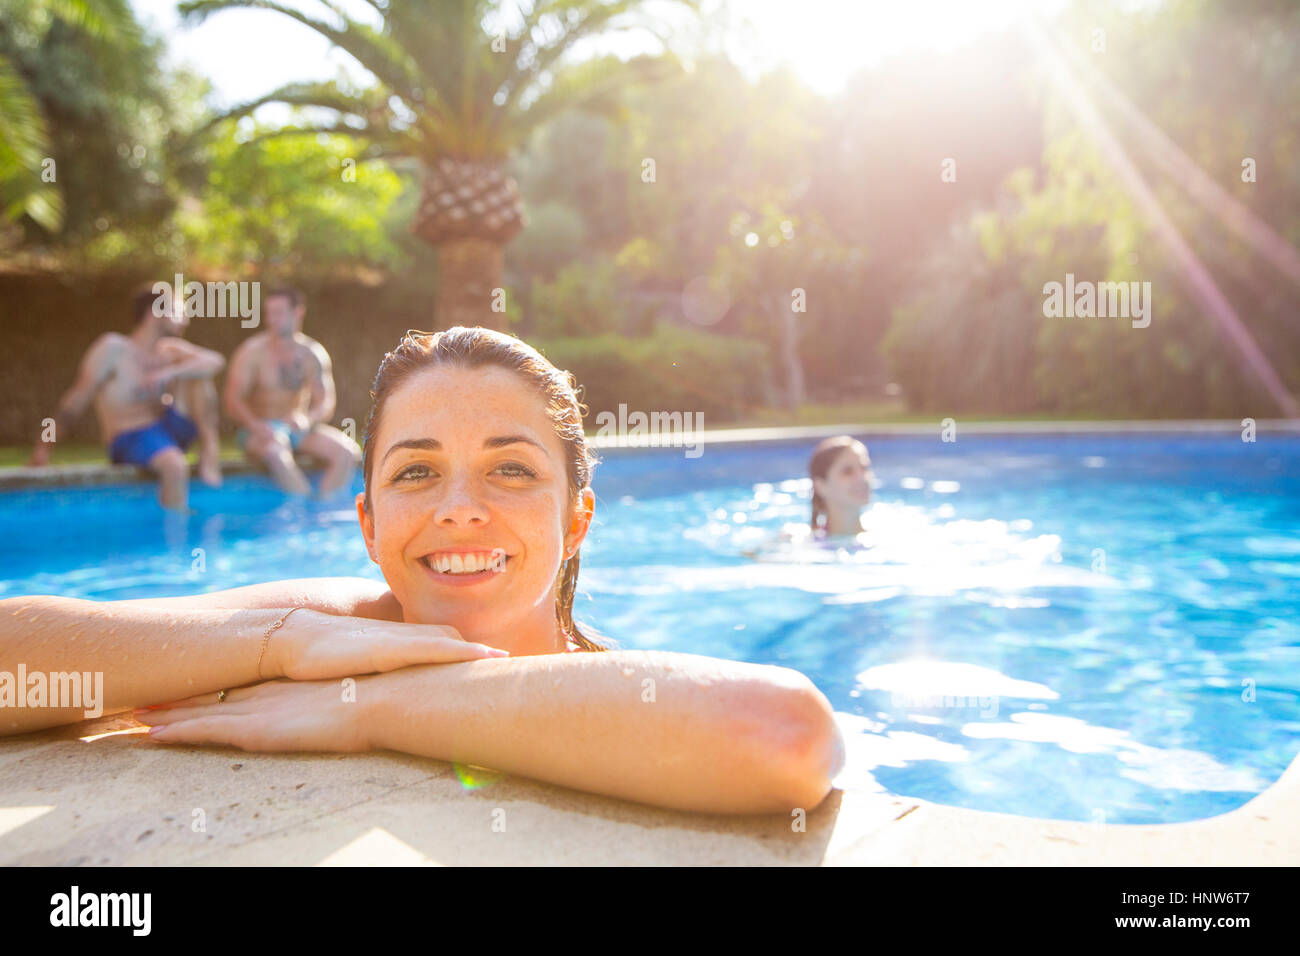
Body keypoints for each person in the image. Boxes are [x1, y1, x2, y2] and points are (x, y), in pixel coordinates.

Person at [0, 327, 842, 815]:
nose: (460, 509)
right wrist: (277, 643)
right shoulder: (335, 627)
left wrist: (371, 707)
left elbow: (787, 735)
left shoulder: (627, 684)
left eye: (511, 469)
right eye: (414, 472)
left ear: (578, 518)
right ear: (368, 525)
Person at [27, 288, 224, 510]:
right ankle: (175, 536)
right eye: (177, 312)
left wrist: (170, 372)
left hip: (166, 431)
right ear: (154, 313)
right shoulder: (113, 349)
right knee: (176, 466)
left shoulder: (170, 351)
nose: (185, 320)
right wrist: (43, 448)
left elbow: (216, 361)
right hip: (130, 437)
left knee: (199, 375)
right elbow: (72, 404)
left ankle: (210, 448)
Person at [223, 286, 361, 497]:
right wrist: (256, 425)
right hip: (258, 432)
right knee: (276, 451)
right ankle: (302, 508)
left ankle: (324, 506)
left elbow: (326, 402)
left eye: (278, 313)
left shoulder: (312, 353)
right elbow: (232, 401)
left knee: (348, 452)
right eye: (269, 313)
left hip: (296, 429)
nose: (272, 319)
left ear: (298, 313)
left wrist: (307, 419)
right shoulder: (252, 352)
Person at [809, 435, 874, 539]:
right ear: (821, 485)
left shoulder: (890, 535)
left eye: (864, 468)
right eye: (847, 471)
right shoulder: (799, 541)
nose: (862, 478)